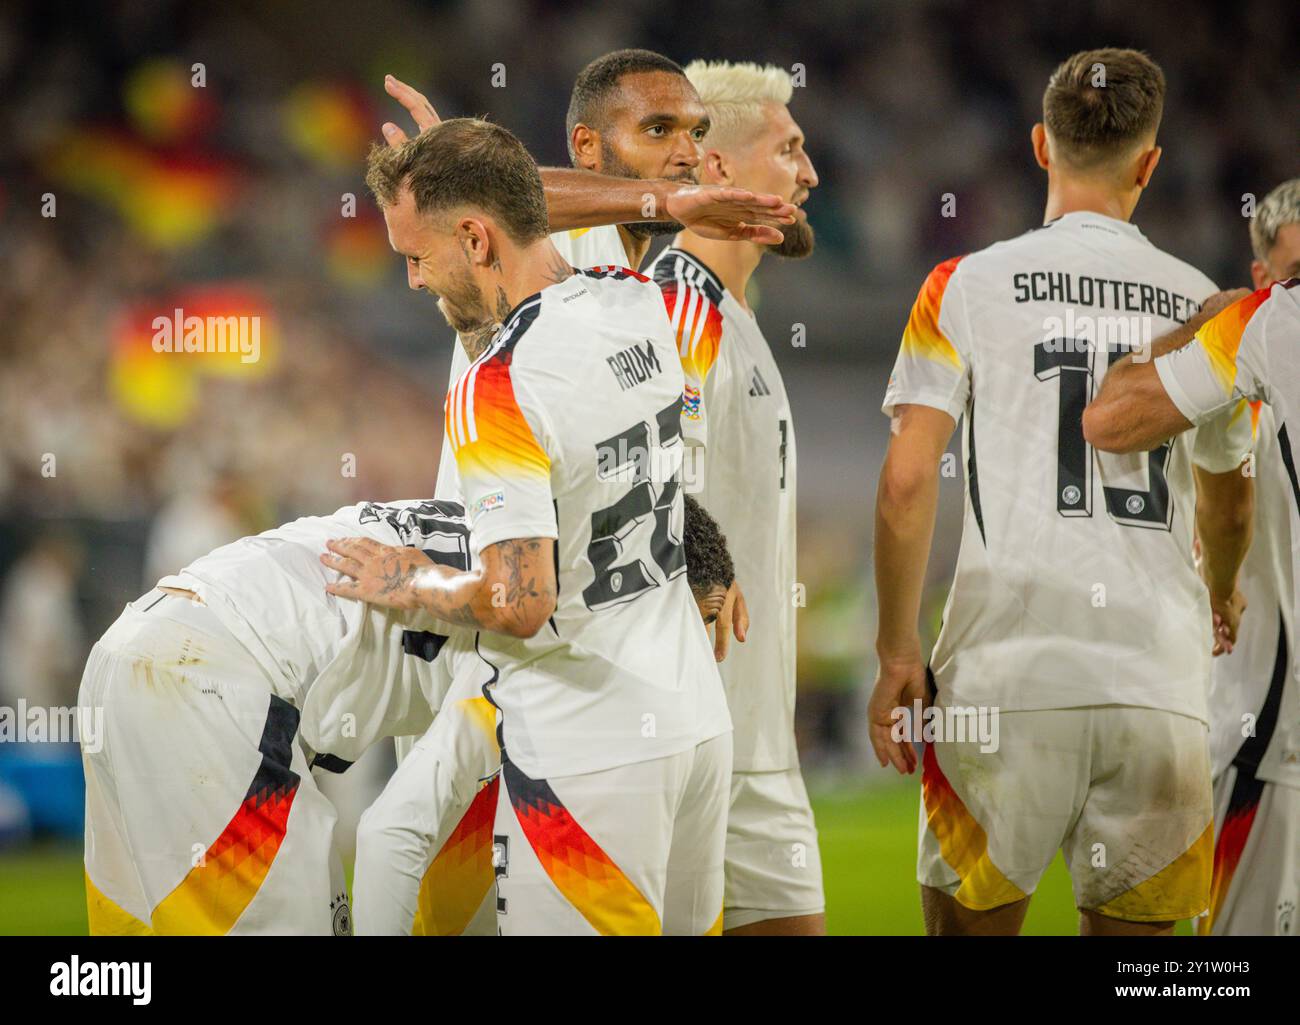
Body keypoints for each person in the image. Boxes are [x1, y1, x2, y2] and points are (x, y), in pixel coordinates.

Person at [869, 48, 1254, 936]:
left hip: (1003, 679)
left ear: (1042, 145)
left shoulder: (959, 285)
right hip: (1157, 683)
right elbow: (1229, 498)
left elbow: (905, 479)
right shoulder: (1205, 305)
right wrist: (1221, 587)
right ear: (1150, 164)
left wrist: (897, 651)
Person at [340, 118, 732, 935]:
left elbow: (519, 601)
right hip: (695, 722)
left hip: (588, 754)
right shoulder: (642, 303)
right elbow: (523, 201)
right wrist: (465, 155)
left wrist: (408, 579)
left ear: (476, 238)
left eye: (418, 256)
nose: (414, 280)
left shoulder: (497, 383)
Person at [1084, 185, 1300, 936]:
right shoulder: (1258, 340)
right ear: (1260, 269)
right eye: (1290, 269)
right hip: (1264, 725)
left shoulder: (1264, 328)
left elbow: (1109, 416)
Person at [649, 61, 825, 935]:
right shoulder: (683, 304)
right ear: (716, 169)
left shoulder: (732, 313)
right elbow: (649, 484)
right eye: (789, 149)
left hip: (754, 738)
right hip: (698, 742)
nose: (809, 172)